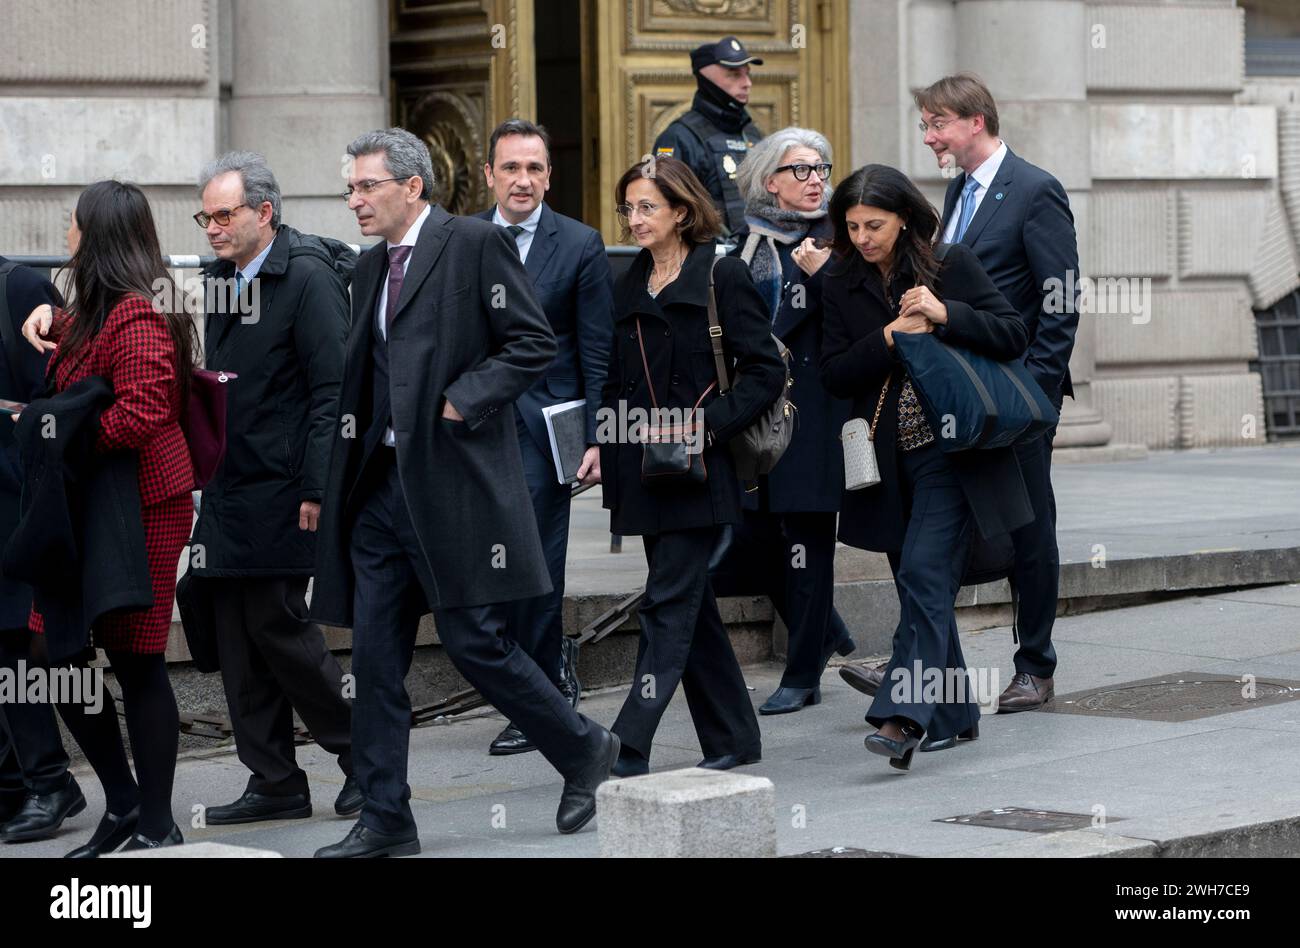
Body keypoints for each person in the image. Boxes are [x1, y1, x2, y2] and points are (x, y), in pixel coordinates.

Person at [310, 128, 618, 858]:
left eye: (366, 186)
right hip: (380, 492)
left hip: (457, 486)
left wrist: (463, 399)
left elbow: (532, 343)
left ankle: (582, 750)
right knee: (376, 659)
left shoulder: (473, 245)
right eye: (350, 188)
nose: (354, 199)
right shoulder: (366, 265)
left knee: (476, 642)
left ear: (411, 187)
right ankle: (388, 817)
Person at [819, 164, 1032, 771]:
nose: (862, 237)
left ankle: (904, 715)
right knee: (924, 584)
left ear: (905, 217)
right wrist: (889, 336)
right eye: (852, 226)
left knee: (922, 574)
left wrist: (945, 315)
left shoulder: (949, 264)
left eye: (875, 225)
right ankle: (957, 712)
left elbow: (1012, 333)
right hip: (886, 459)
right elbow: (834, 373)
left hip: (953, 452)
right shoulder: (840, 280)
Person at [20, 180, 200, 850]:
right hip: (95, 508)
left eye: (72, 224)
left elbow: (146, 408)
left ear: (96, 236)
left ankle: (154, 825)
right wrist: (43, 319)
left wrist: (68, 442)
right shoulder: (98, 311)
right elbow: (82, 343)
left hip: (144, 507)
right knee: (50, 651)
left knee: (138, 660)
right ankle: (123, 804)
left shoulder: (138, 313)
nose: (65, 234)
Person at [189, 151, 360, 824]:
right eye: (205, 215)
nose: (212, 227)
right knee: (235, 634)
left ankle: (363, 757)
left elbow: (331, 392)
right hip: (231, 489)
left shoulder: (309, 280)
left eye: (223, 214)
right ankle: (275, 780)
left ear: (263, 213)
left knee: (281, 627)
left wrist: (317, 488)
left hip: (287, 490)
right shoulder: (223, 280)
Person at [600, 156, 784, 776]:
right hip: (643, 471)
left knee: (666, 604)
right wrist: (604, 442)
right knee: (689, 605)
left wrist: (706, 429)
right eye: (628, 207)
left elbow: (765, 370)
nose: (634, 218)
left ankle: (626, 744)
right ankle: (734, 736)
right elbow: (614, 378)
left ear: (682, 210)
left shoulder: (721, 275)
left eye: (647, 206)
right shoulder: (628, 280)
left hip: (701, 472)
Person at [918, 73, 1078, 713]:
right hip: (964, 393)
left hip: (1017, 395)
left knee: (1031, 526)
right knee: (948, 522)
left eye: (937, 125)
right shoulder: (957, 190)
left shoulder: (1036, 190)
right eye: (927, 126)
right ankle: (923, 658)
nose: (929, 137)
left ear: (974, 122)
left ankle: (1035, 665)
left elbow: (1059, 299)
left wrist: (1035, 392)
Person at [474, 119, 614, 756]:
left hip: (545, 430)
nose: (523, 180)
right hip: (474, 428)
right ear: (490, 175)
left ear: (548, 176)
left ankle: (541, 692)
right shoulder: (464, 238)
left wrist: (597, 437)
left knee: (534, 558)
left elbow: (596, 349)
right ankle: (527, 676)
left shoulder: (580, 244)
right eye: (511, 168)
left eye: (534, 168)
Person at [713, 127, 856, 715]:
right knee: (749, 532)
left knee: (807, 538)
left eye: (821, 168)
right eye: (801, 170)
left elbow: (866, 318)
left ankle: (802, 674)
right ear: (769, 181)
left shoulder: (843, 241)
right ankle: (822, 631)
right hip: (756, 415)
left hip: (818, 413)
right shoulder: (741, 247)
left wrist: (825, 276)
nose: (817, 178)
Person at [0, 256, 83, 844]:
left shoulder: (21, 286)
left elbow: (52, 399)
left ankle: (50, 780)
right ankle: (19, 785)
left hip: (15, 501)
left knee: (14, 645)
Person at [653, 35, 765, 239]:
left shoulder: (752, 133)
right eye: (734, 74)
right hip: (708, 260)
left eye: (747, 74)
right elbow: (664, 211)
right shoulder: (678, 137)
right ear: (705, 76)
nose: (747, 83)